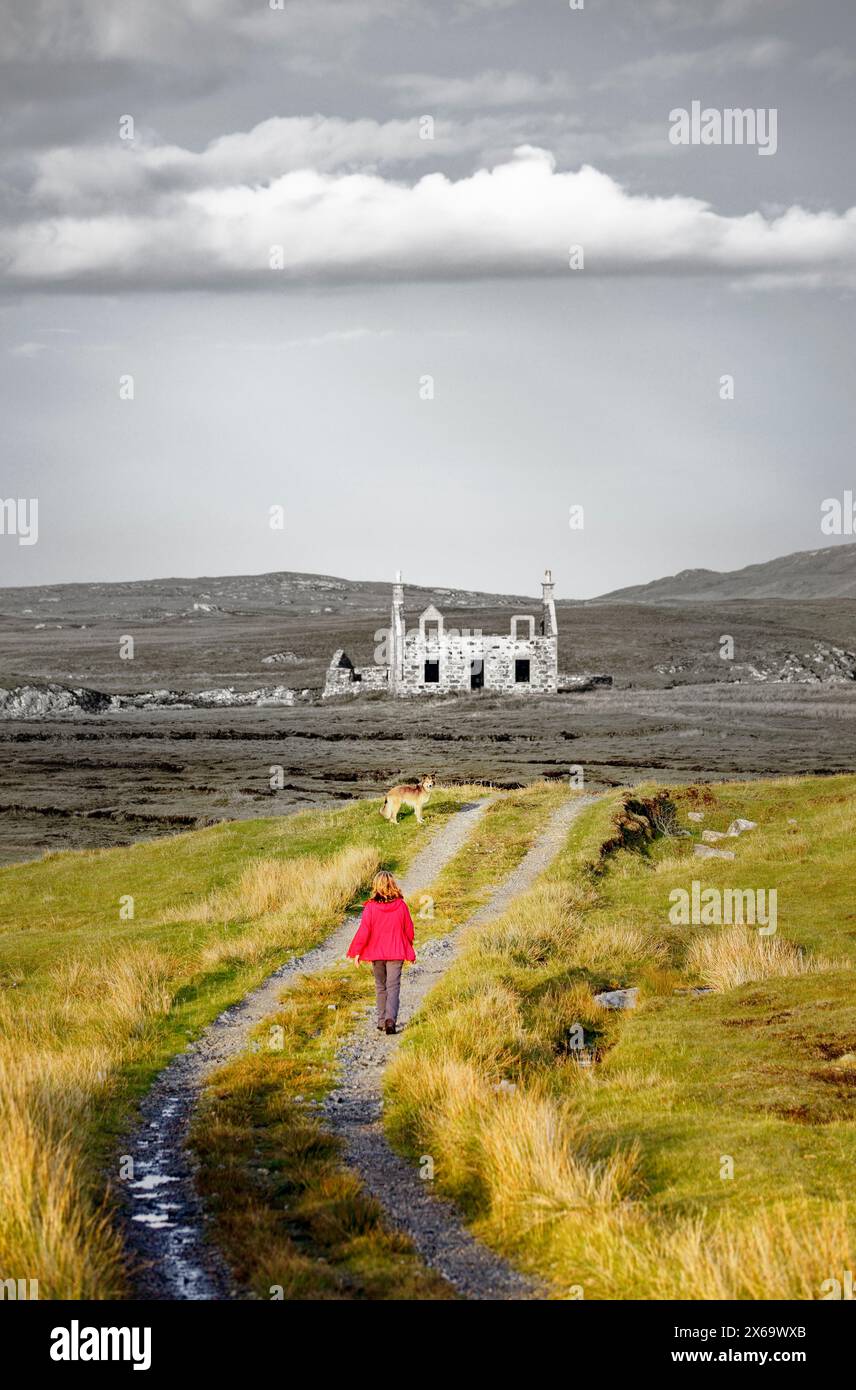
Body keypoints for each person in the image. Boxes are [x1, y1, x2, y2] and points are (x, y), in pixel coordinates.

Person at [346, 871, 415, 1035]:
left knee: (380, 986)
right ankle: (390, 1019)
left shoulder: (370, 907)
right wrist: (410, 949)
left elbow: (364, 931)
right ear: (393, 885)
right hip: (396, 952)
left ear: (376, 886)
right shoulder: (401, 905)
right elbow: (408, 930)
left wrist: (357, 952)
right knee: (393, 987)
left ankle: (381, 1020)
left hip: (376, 954)